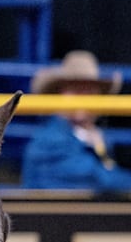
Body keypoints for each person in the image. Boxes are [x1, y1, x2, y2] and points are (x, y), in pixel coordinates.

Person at [21, 50, 131, 191]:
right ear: (58, 96)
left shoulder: (95, 138)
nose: (82, 98)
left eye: (89, 91)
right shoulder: (48, 142)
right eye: (75, 90)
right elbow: (97, 179)